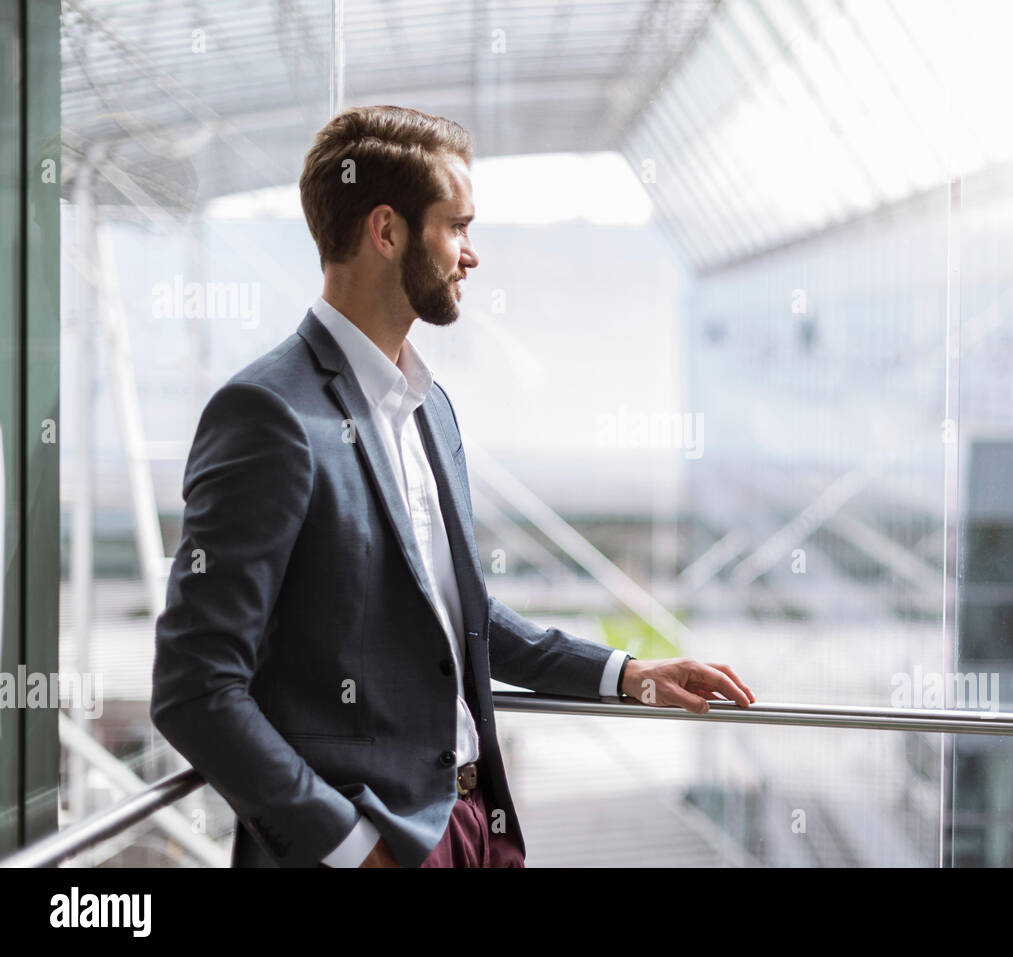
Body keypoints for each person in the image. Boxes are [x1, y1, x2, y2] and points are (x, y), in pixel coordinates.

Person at [150, 105, 756, 868]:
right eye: (457, 226)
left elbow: (459, 619)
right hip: (375, 846)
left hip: (476, 828)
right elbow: (194, 687)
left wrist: (626, 675)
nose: (473, 255)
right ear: (387, 231)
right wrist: (350, 846)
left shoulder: (428, 406)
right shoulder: (268, 415)